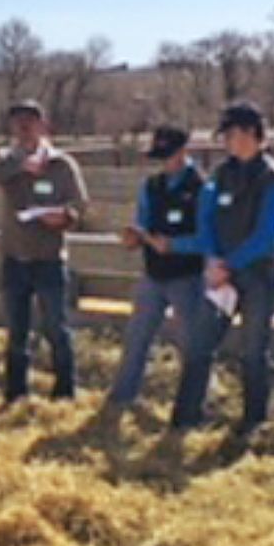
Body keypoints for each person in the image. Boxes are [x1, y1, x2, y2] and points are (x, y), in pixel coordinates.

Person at [171, 101, 274, 435]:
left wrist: (230, 264)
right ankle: (185, 417)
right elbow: (205, 219)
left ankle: (253, 421)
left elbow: (267, 233)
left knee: (253, 351)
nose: (227, 141)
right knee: (199, 345)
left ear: (252, 134)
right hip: (220, 274)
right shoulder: (221, 175)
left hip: (257, 275)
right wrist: (212, 259)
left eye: (232, 134)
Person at [0, 100, 89, 406]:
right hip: (15, 257)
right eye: (18, 123)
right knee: (17, 330)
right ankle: (16, 393)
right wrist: (16, 165)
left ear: (42, 125)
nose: (24, 129)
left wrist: (65, 217)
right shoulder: (4, 159)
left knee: (57, 328)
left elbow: (79, 205)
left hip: (49, 258)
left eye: (30, 122)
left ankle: (64, 391)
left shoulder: (62, 164)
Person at [104, 125, 205, 417]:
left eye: (169, 155)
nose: (164, 162)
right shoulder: (151, 186)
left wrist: (175, 245)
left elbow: (209, 236)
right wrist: (134, 238)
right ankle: (121, 397)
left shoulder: (201, 187)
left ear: (184, 151)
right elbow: (142, 221)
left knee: (191, 344)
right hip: (154, 273)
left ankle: (194, 406)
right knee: (136, 337)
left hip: (188, 275)